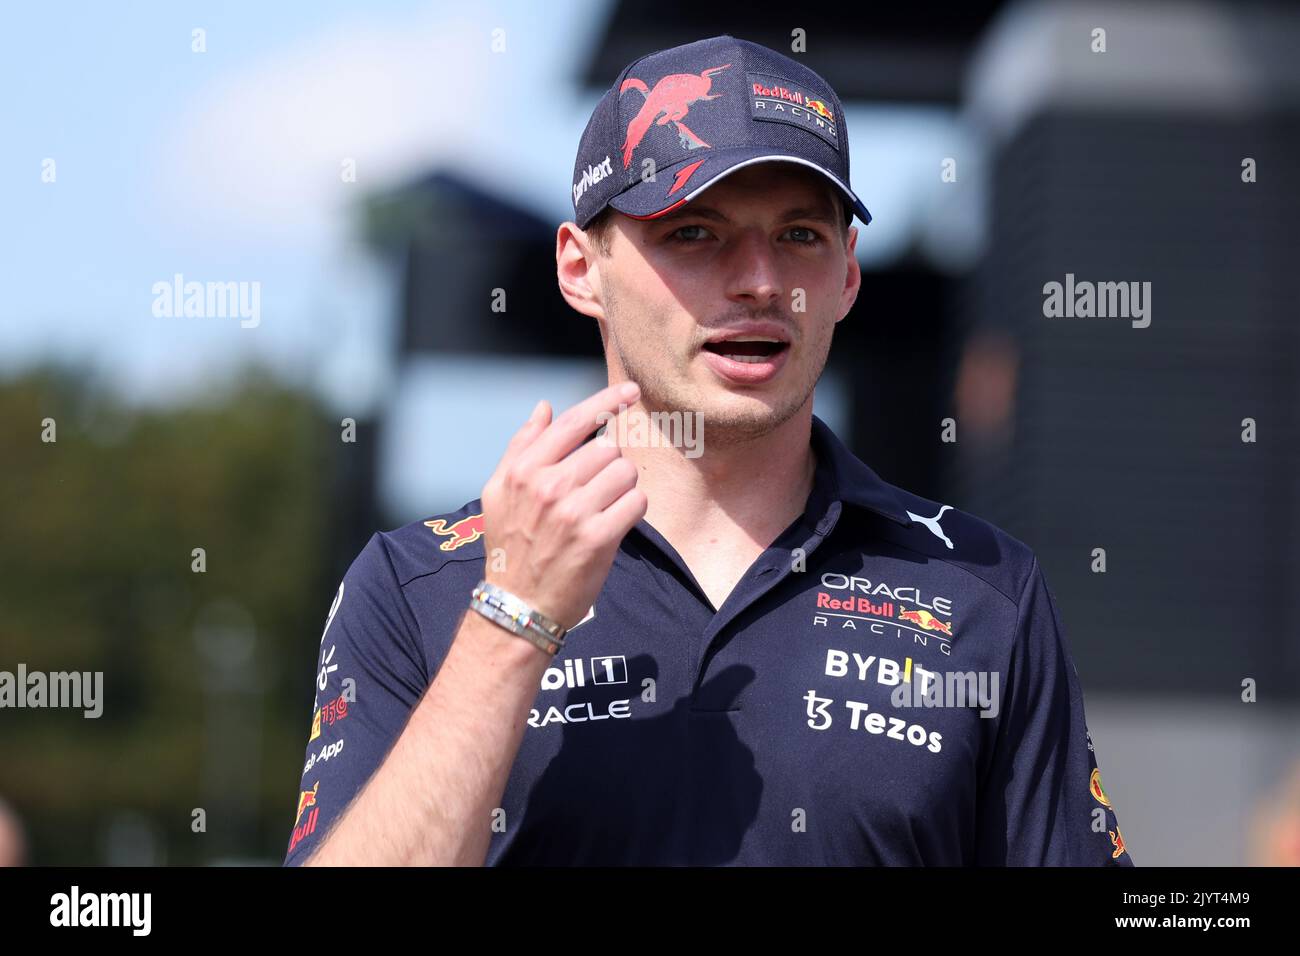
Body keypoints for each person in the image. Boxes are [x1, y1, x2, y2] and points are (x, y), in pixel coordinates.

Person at [284, 34, 1133, 866]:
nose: (759, 280)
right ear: (581, 268)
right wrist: (513, 618)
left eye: (800, 235)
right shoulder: (419, 586)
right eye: (694, 233)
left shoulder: (984, 591)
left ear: (846, 276)